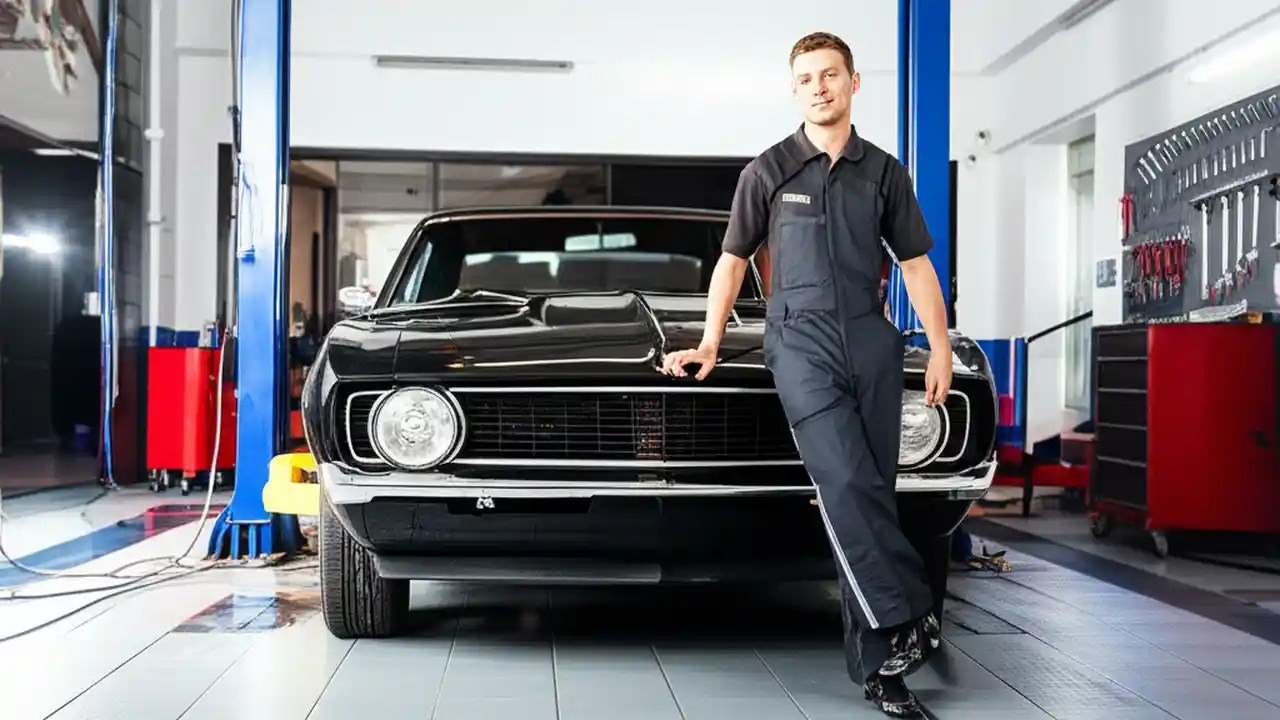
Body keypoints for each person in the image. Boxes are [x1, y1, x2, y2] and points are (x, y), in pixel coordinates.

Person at [661, 31, 951, 718]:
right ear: (794, 90)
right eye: (805, 78)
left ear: (853, 82)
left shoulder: (884, 173)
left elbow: (914, 265)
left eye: (829, 74)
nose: (818, 87)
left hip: (871, 339)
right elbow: (733, 262)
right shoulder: (767, 171)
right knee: (844, 481)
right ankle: (914, 612)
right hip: (799, 343)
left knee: (871, 493)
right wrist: (709, 342)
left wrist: (938, 346)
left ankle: (882, 670)